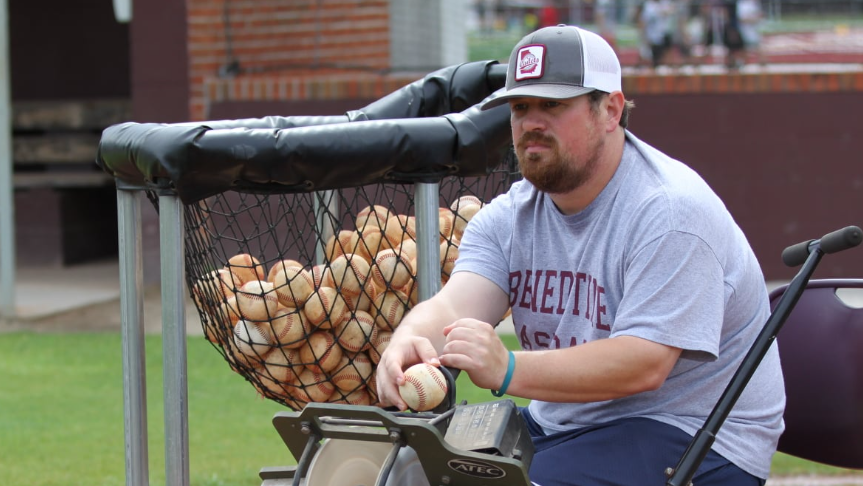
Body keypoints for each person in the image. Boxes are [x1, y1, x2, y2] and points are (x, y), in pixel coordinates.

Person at [376, 24, 785, 486]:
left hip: (695, 434)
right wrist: (406, 341)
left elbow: (644, 363)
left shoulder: (669, 210)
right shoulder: (511, 214)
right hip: (568, 424)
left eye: (553, 105)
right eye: (520, 107)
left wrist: (507, 367)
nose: (531, 122)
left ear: (610, 109)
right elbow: (454, 306)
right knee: (411, 469)